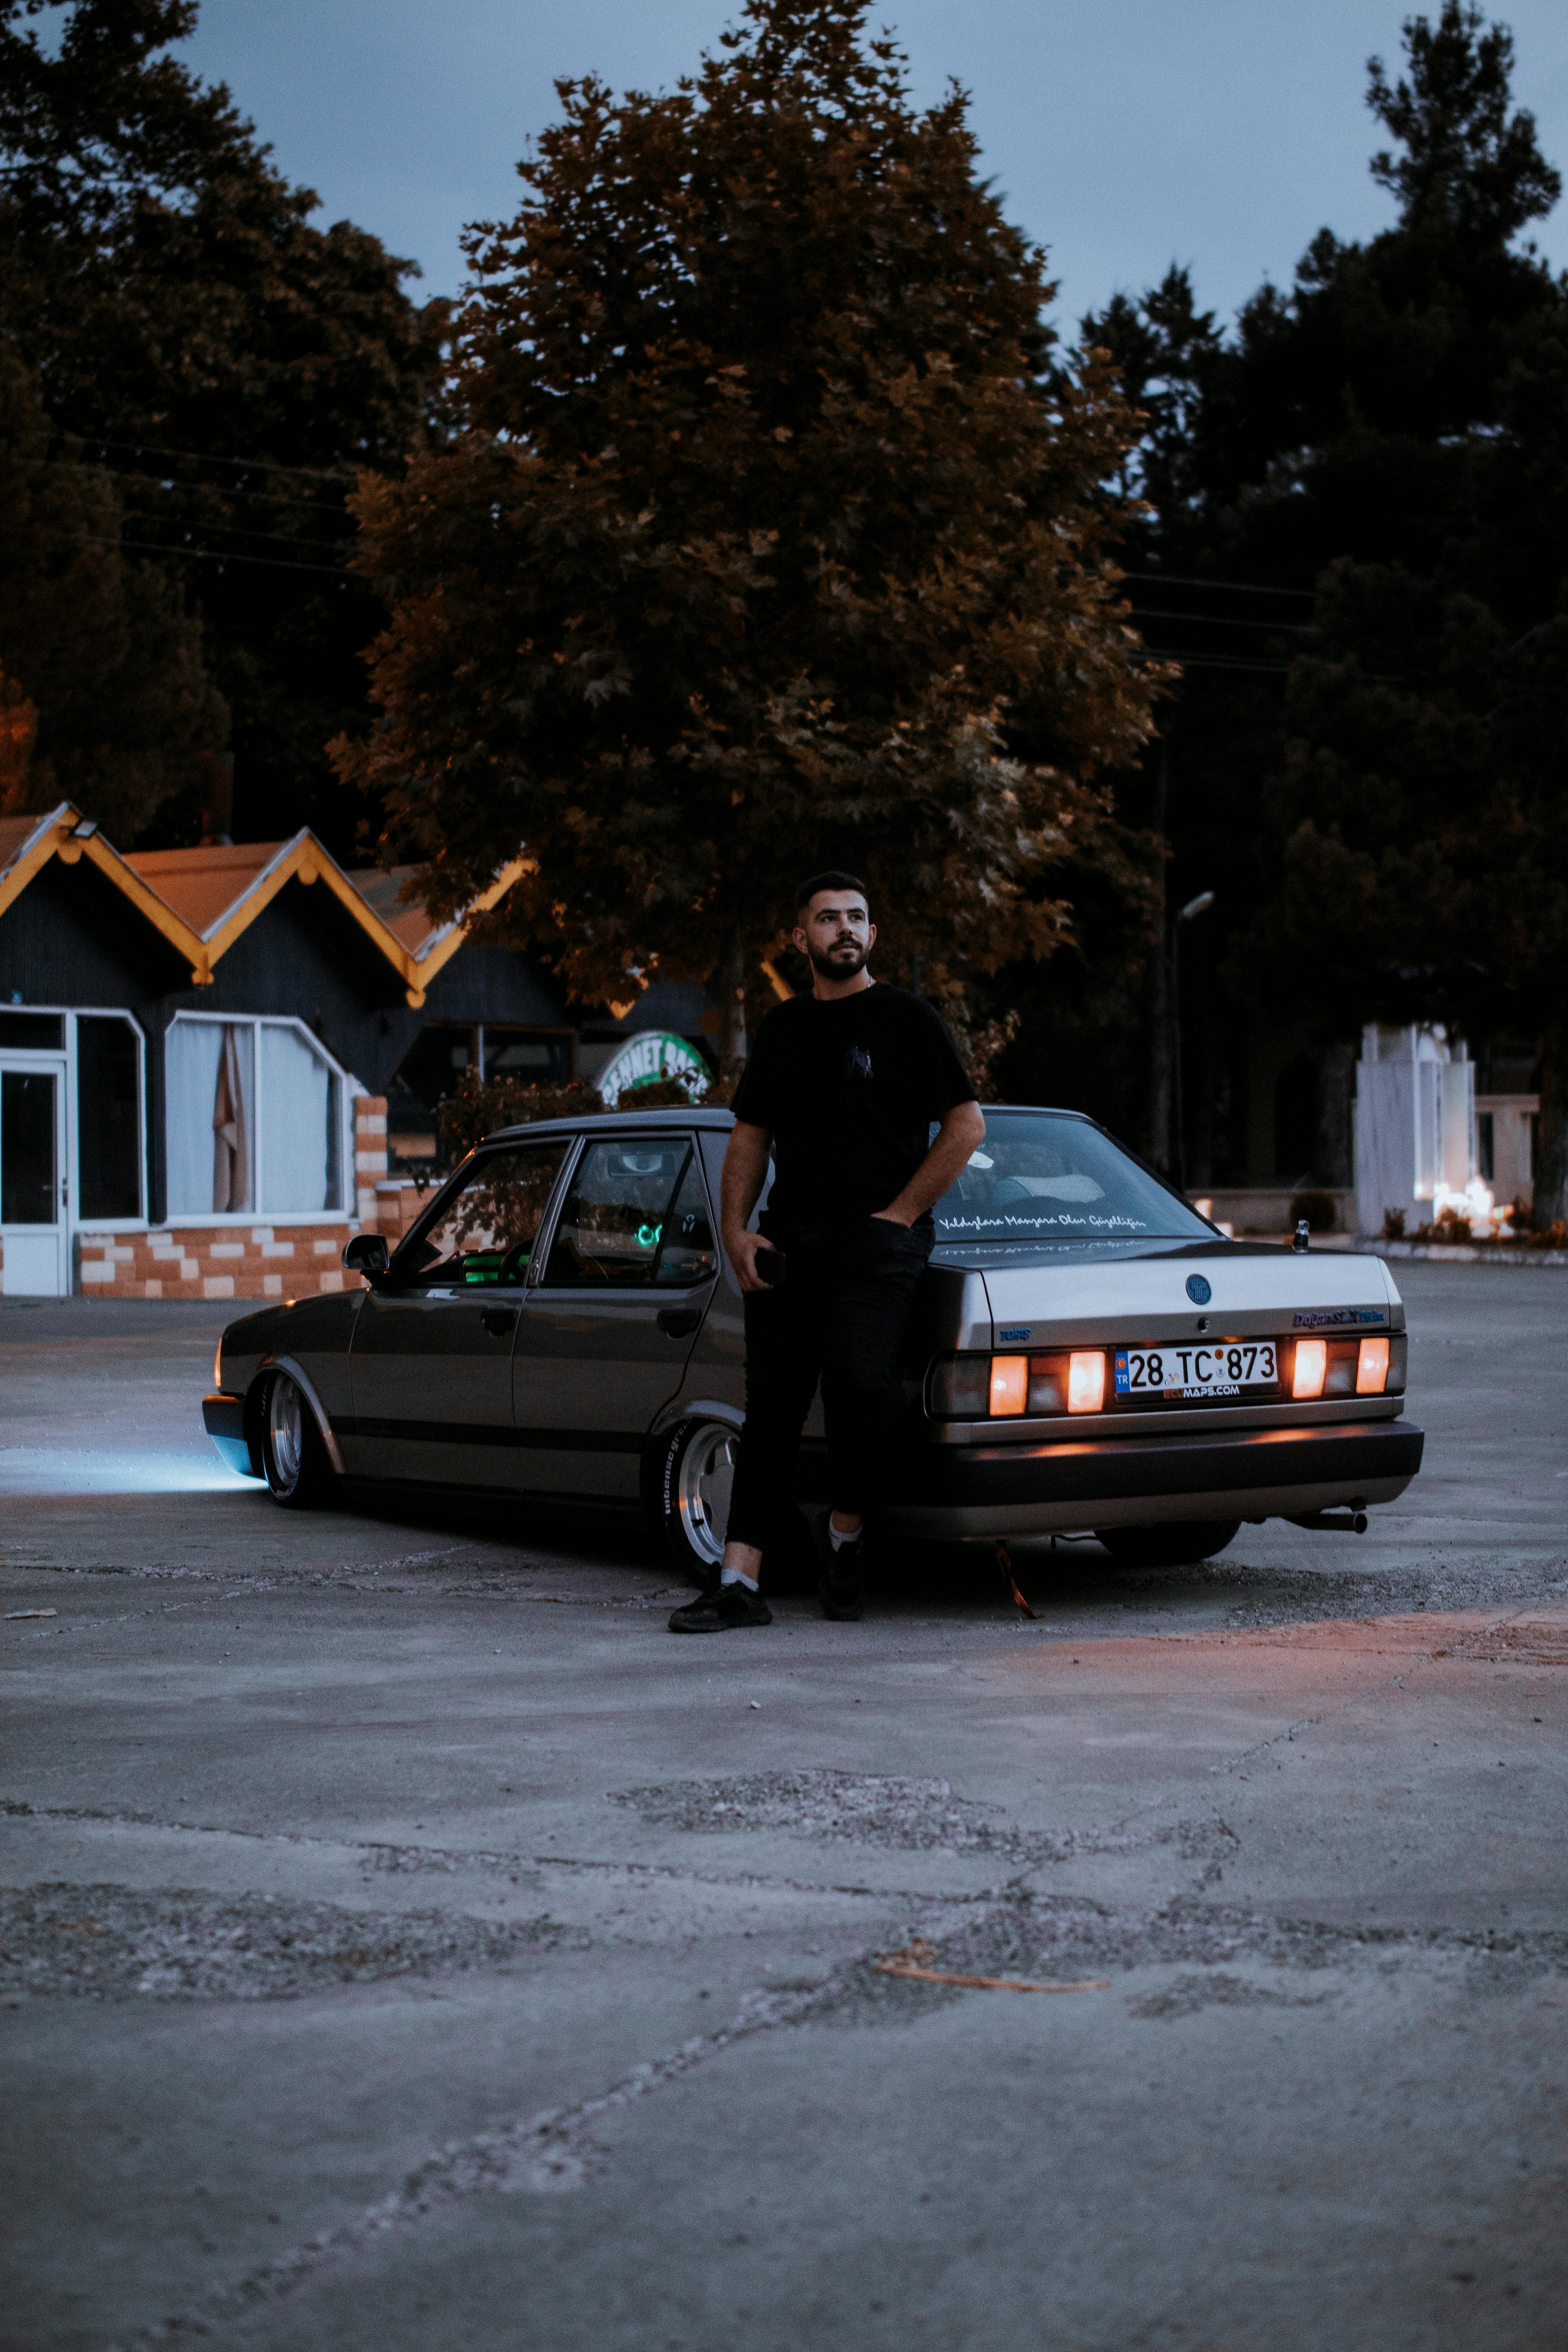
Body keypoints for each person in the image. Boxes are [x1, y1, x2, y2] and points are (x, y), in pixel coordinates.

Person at [669, 873, 984, 1633]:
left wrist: (898, 1216)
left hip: (878, 1247)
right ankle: (738, 1583)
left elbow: (965, 1126)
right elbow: (749, 1135)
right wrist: (737, 1232)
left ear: (870, 935)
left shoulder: (908, 1020)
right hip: (788, 1242)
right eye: (826, 918)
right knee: (769, 1411)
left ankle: (844, 1536)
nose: (843, 928)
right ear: (801, 936)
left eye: (855, 917)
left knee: (856, 1386)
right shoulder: (783, 1029)